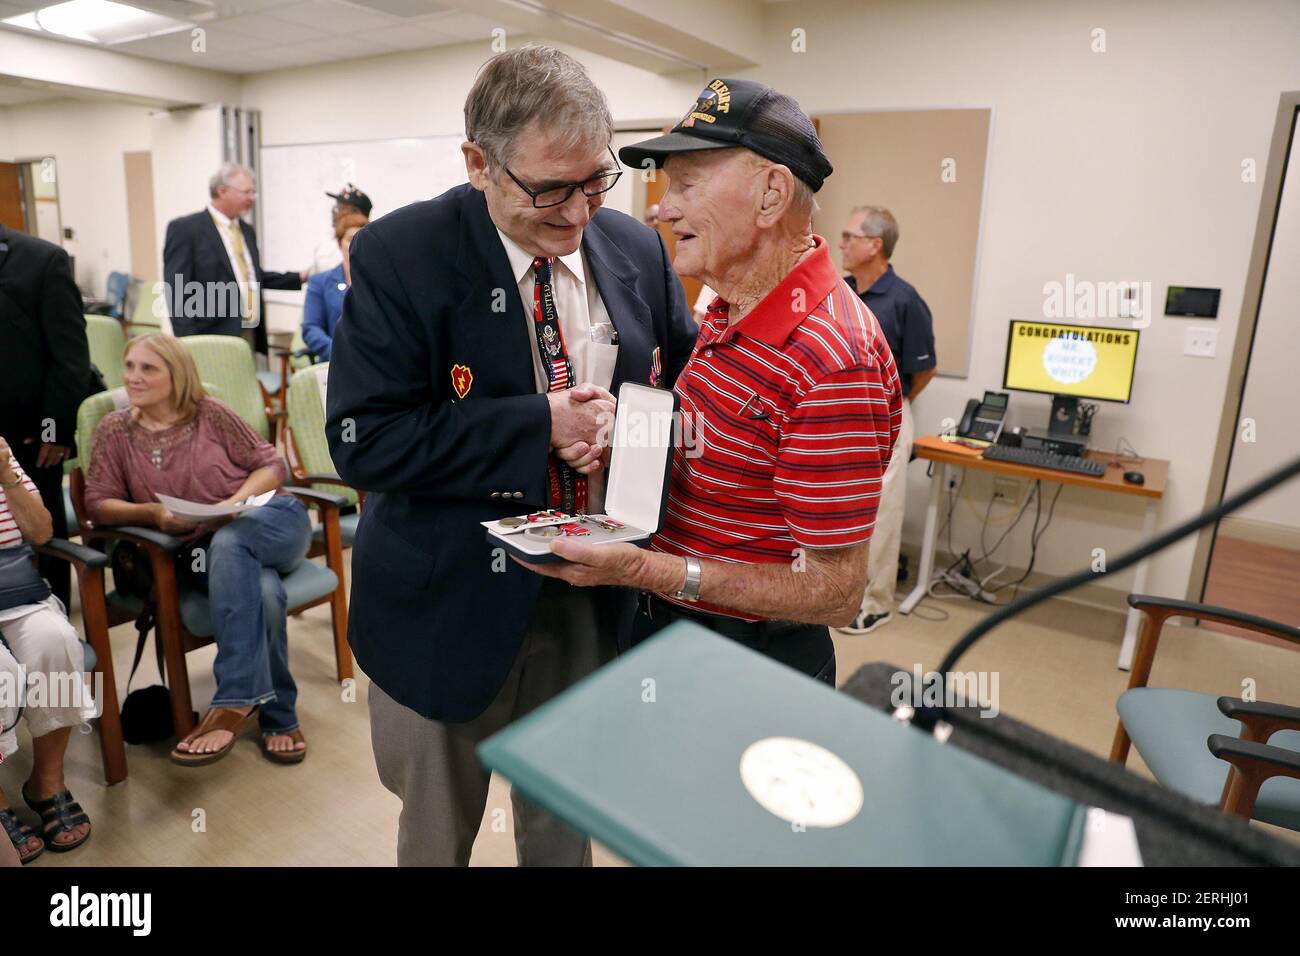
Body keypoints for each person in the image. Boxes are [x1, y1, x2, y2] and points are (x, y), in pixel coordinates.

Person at [326, 45, 697, 867]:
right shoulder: (400, 256)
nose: (577, 215)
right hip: (443, 604)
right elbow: (366, 441)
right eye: (549, 191)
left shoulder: (634, 249)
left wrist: (629, 440)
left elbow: (679, 387)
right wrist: (540, 424)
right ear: (478, 164)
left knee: (565, 830)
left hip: (591, 594)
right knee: (436, 836)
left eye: (594, 182)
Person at [529, 78, 903, 685]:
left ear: (770, 196)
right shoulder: (732, 306)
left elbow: (835, 593)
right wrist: (626, 430)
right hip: (665, 629)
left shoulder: (833, 357)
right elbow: (732, 452)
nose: (664, 207)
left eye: (686, 184)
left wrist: (650, 572)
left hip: (745, 662)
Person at [83, 334, 313, 766]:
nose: (133, 377)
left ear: (177, 374)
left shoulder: (209, 412)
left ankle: (234, 697)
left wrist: (232, 505)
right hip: (202, 550)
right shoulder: (115, 430)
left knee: (234, 535)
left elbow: (270, 463)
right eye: (129, 365)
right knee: (262, 591)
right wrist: (153, 514)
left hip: (272, 522)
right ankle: (280, 715)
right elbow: (97, 503)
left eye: (148, 368)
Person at [840, 205, 936, 634]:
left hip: (887, 415)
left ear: (874, 246)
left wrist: (894, 405)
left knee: (881, 510)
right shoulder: (840, 291)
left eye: (849, 237)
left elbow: (925, 368)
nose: (840, 244)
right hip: (840, 415)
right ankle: (835, 594)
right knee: (840, 506)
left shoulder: (905, 300)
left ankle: (874, 602)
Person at [0, 436, 96, 863]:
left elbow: (40, 531)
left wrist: (6, 475)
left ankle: (46, 781)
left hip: (13, 589)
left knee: (55, 641)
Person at [0, 224, 91, 610]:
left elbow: (70, 360)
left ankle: (54, 617)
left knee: (43, 539)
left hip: (33, 439)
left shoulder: (42, 260)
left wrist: (53, 431)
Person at [162, 162, 308, 357]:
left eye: (253, 192)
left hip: (247, 332)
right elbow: (177, 290)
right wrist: (189, 344)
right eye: (246, 192)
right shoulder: (186, 229)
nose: (252, 198)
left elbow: (252, 277)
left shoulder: (246, 231)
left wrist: (299, 277)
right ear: (222, 191)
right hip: (208, 336)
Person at [302, 212, 366, 362]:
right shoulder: (320, 282)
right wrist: (338, 351)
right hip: (334, 363)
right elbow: (311, 328)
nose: (356, 244)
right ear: (339, 244)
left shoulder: (380, 281)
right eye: (350, 239)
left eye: (362, 239)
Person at [311, 184, 373, 275]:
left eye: (340, 207)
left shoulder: (364, 244)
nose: (334, 210)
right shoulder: (328, 245)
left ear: (356, 212)